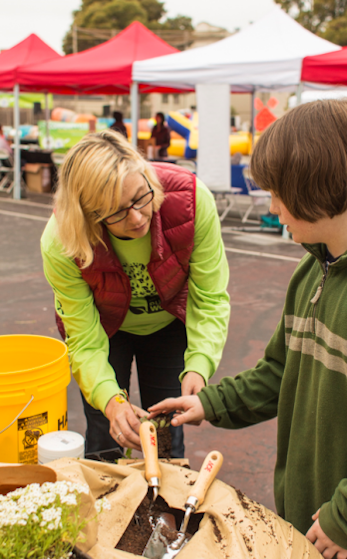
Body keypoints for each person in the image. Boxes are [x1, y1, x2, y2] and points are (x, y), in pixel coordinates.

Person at [149, 98, 347, 559]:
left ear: (316, 183)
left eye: (278, 193)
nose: (273, 208)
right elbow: (279, 371)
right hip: (307, 519)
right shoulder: (314, 266)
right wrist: (208, 404)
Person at [41, 130, 230, 461]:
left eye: (141, 197)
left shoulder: (190, 201)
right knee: (105, 428)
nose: (138, 217)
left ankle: (170, 505)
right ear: (89, 215)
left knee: (168, 430)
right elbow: (84, 339)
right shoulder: (61, 241)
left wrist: (199, 366)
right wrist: (111, 400)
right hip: (105, 328)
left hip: (169, 324)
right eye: (116, 212)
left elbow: (210, 298)